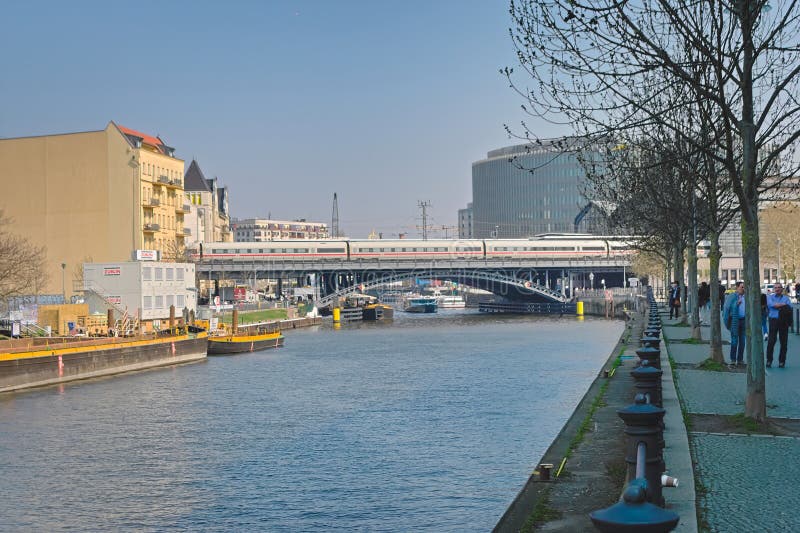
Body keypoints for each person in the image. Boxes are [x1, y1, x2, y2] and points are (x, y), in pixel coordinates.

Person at [766, 282, 793, 368]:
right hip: (773, 321)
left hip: (783, 321)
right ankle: (769, 360)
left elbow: (790, 307)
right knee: (771, 341)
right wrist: (782, 305)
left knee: (783, 342)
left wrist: (778, 306)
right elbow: (771, 305)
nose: (777, 289)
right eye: (776, 287)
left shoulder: (786, 298)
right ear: (774, 289)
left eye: (779, 287)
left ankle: (782, 361)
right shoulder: (769, 297)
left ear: (782, 289)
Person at [723, 281, 746, 367]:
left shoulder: (746, 297)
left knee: (742, 341)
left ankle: (740, 359)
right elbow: (727, 309)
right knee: (734, 340)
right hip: (735, 321)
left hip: (744, 321)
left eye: (744, 287)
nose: (743, 289)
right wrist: (736, 304)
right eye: (742, 287)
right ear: (737, 287)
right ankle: (733, 359)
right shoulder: (732, 296)